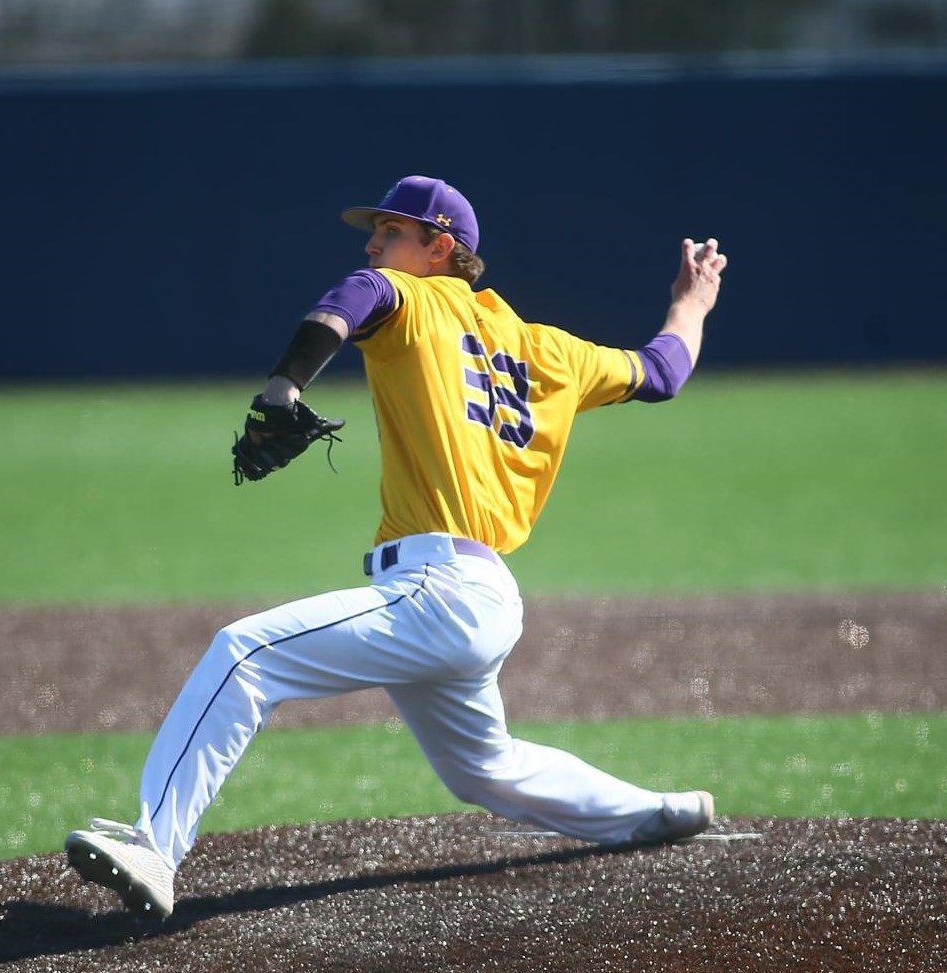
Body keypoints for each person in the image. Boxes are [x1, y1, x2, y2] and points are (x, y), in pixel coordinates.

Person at [66, 175, 729, 918]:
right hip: (482, 597)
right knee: (484, 768)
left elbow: (355, 297)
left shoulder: (414, 298)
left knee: (244, 655)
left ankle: (154, 851)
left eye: (392, 231)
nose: (374, 243)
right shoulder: (554, 352)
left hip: (436, 591)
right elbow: (664, 371)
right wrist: (692, 302)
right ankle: (654, 812)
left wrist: (287, 381)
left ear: (441, 247)